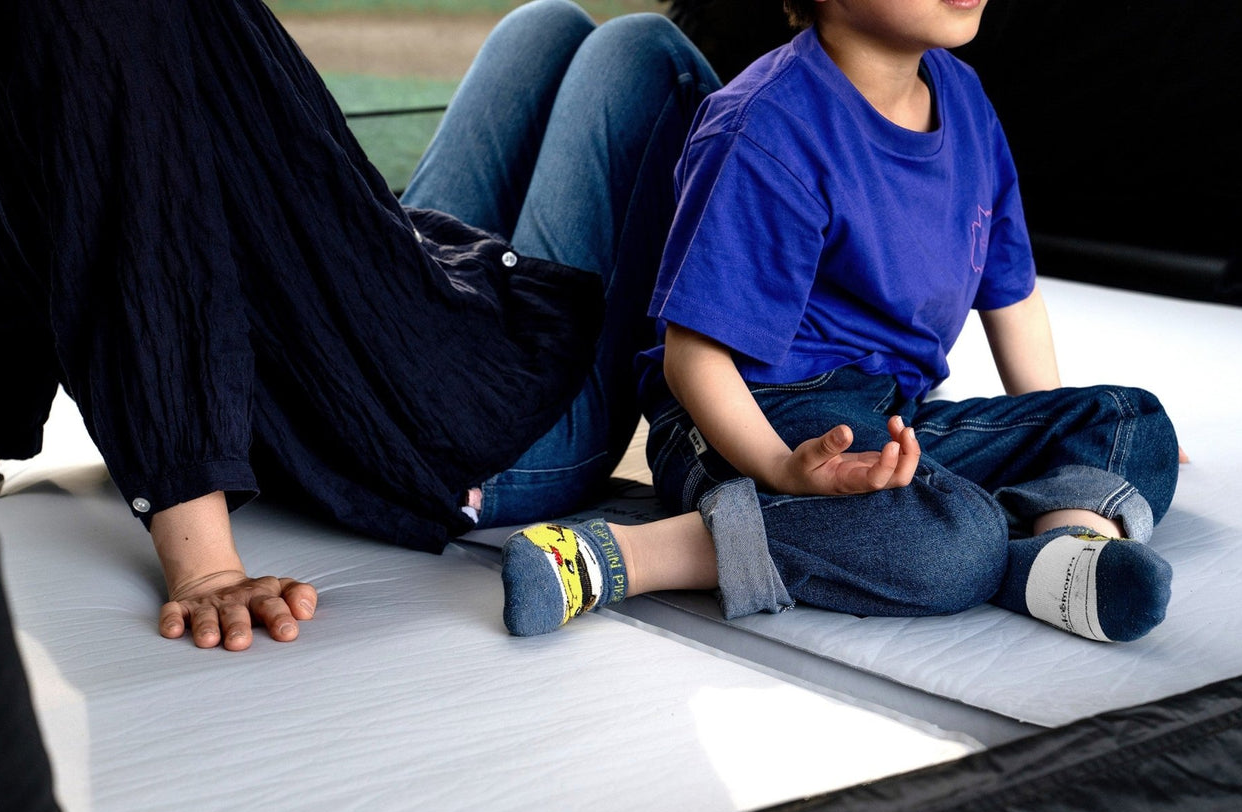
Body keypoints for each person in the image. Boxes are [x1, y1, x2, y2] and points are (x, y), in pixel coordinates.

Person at [0, 0, 720, 650]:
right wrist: (204, 568)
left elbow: (0, 201)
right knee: (646, 53)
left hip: (372, 322)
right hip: (454, 442)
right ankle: (768, 395)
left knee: (543, 26)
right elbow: (147, 245)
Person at [501, 0, 1183, 643]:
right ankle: (624, 555)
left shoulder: (966, 99)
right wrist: (781, 468)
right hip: (755, 414)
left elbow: (1012, 296)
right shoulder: (765, 125)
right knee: (953, 546)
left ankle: (1065, 553)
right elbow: (694, 358)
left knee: (1129, 420)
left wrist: (1052, 432)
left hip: (889, 413)